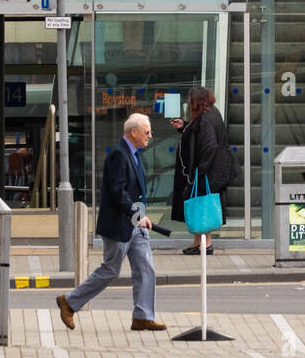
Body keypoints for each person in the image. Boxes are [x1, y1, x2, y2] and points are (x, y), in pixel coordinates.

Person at [56, 113, 166, 332]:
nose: (150, 136)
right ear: (133, 132)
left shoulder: (135, 154)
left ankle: (143, 316)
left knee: (146, 268)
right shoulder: (118, 155)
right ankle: (69, 302)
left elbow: (135, 193)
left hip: (135, 224)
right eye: (147, 132)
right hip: (119, 224)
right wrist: (138, 216)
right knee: (110, 270)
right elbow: (118, 192)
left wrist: (140, 217)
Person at [170, 86, 233, 255]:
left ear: (196, 101)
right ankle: (198, 242)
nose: (189, 103)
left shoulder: (205, 118)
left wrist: (200, 170)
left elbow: (210, 145)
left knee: (203, 204)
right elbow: (197, 134)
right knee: (200, 204)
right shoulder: (211, 113)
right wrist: (184, 126)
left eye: (190, 101)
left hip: (207, 172)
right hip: (212, 170)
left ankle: (205, 244)